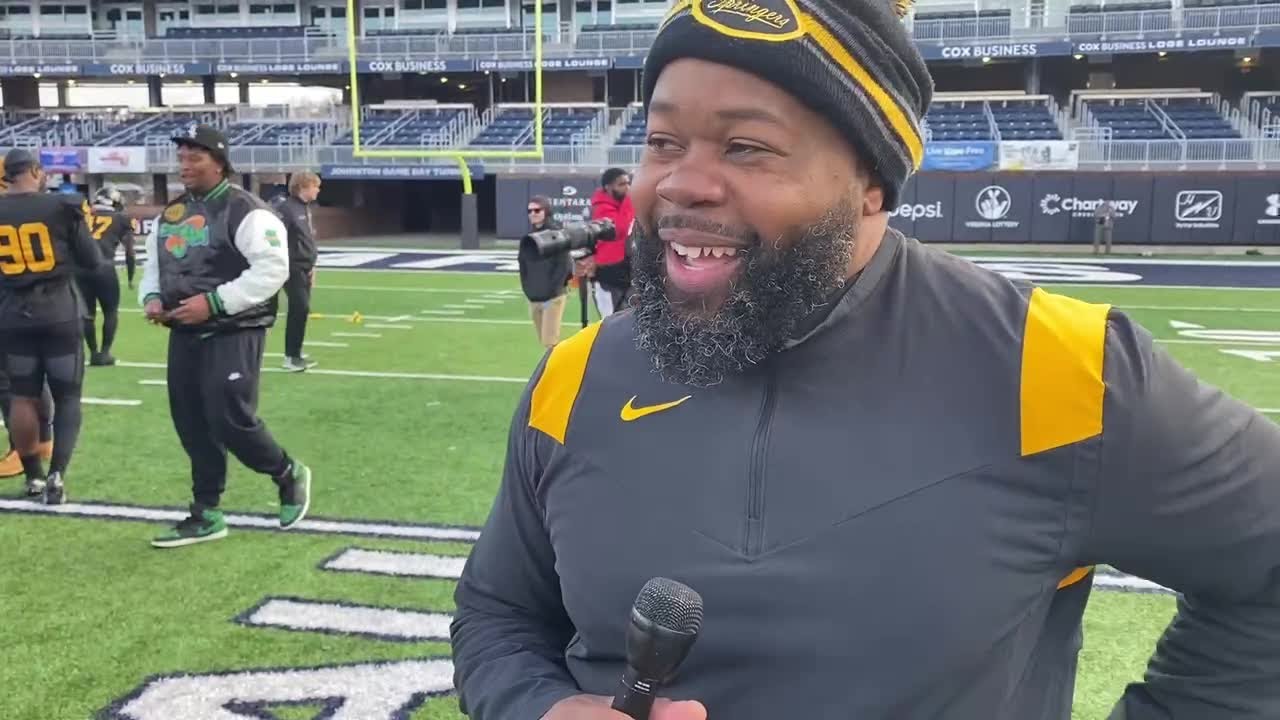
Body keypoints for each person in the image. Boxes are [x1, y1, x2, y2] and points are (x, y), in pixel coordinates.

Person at [449, 0, 1280, 718]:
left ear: (872, 181)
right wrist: (540, 704)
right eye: (663, 141)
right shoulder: (578, 375)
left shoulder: (1058, 367)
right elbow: (497, 609)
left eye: (746, 148)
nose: (680, 184)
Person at [138, 124, 312, 548]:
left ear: (220, 162)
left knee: (229, 416)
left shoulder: (247, 210)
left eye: (195, 157)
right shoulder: (172, 213)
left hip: (234, 327)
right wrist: (153, 297)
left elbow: (272, 270)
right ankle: (206, 511)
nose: (186, 165)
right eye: (182, 157)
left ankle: (287, 473)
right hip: (184, 328)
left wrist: (214, 303)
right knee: (191, 422)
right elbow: (155, 265)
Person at [0, 148, 103, 503]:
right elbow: (93, 261)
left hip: (12, 313)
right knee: (68, 396)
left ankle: (33, 477)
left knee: (22, 396)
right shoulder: (62, 207)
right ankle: (57, 475)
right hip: (58, 310)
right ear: (33, 170)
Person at [79, 186, 136, 366]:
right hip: (105, 268)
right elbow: (130, 251)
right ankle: (104, 353)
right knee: (110, 312)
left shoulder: (83, 216)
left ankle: (93, 352)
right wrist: (130, 277)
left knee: (87, 313)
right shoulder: (122, 218)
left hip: (80, 269)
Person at [271, 171, 320, 372]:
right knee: (299, 308)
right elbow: (275, 238)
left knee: (302, 309)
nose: (318, 190)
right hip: (291, 267)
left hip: (304, 266)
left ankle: (295, 351)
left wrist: (312, 265)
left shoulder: (304, 208)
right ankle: (291, 356)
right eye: (315, 186)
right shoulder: (287, 209)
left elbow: (307, 239)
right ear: (303, 187)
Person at [517, 195, 572, 350]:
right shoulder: (528, 237)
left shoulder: (556, 234)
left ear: (546, 211)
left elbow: (564, 265)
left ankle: (555, 372)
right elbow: (522, 264)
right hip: (534, 296)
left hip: (552, 297)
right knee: (544, 341)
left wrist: (552, 291)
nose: (532, 214)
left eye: (537, 210)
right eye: (530, 211)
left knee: (550, 342)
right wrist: (527, 289)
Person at [580, 168, 635, 317]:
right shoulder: (602, 208)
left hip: (626, 272)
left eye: (628, 183)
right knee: (611, 323)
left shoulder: (621, 205)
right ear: (608, 187)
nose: (627, 188)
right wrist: (630, 200)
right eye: (621, 184)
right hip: (608, 274)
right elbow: (620, 229)